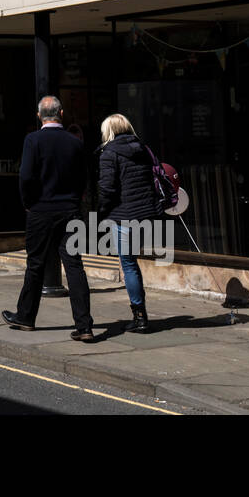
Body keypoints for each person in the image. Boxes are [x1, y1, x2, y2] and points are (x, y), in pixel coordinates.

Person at [2, 95, 95, 342]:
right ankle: (84, 325)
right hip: (69, 210)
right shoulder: (74, 143)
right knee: (74, 266)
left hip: (40, 211)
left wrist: (28, 203)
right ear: (61, 114)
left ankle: (26, 317)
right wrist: (74, 201)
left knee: (35, 264)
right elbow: (83, 178)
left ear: (39, 116)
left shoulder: (33, 140)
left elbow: (25, 177)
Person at [97, 113, 158, 334]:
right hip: (145, 215)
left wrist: (101, 212)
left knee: (129, 265)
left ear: (109, 131)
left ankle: (140, 317)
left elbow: (107, 190)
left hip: (123, 217)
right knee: (133, 262)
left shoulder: (109, 153)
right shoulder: (143, 149)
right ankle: (140, 311)